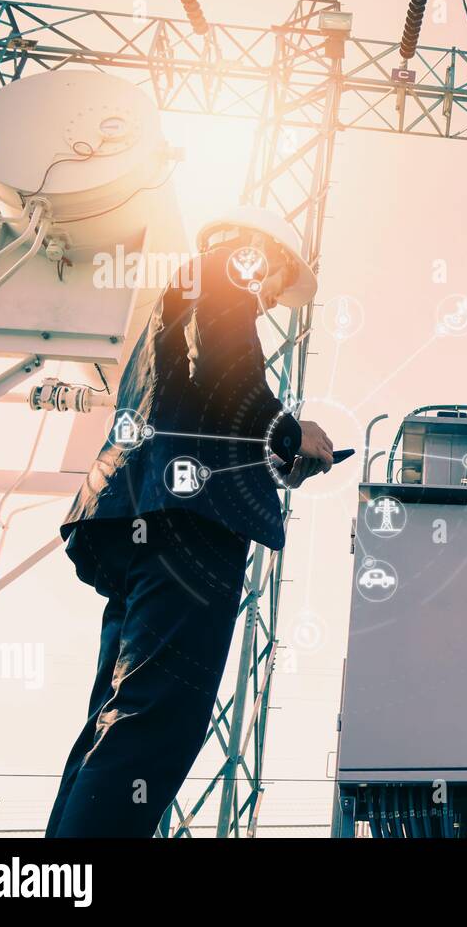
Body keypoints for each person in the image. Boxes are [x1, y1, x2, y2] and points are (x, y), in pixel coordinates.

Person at [46, 207, 334, 837]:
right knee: (159, 720)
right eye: (276, 277)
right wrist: (292, 433)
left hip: (136, 518)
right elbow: (227, 376)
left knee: (118, 717)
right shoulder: (223, 276)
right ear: (254, 252)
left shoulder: (174, 298)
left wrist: (274, 453)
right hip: (189, 528)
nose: (269, 296)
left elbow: (198, 404)